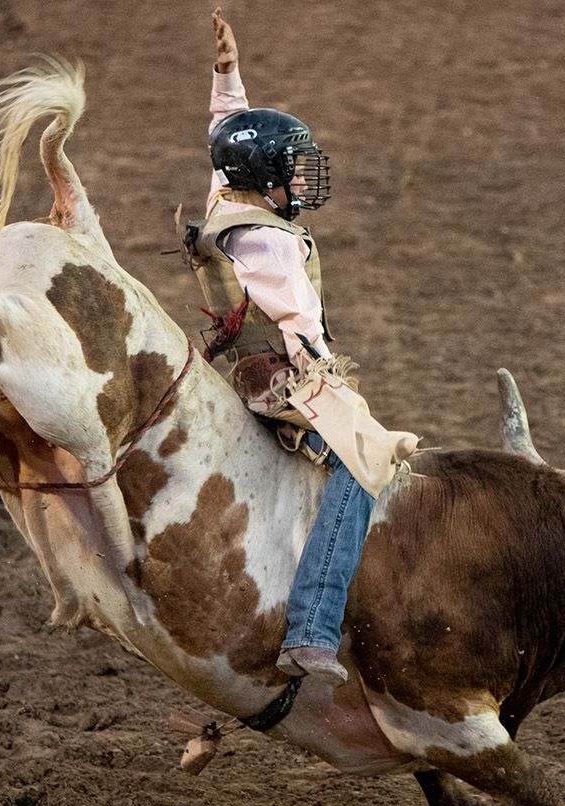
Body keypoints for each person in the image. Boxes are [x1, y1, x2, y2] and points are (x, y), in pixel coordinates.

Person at [183, 8, 416, 686]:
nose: (303, 179)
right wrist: (335, 390)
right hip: (280, 373)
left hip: (248, 363)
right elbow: (303, 327)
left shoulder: (229, 200)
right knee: (362, 461)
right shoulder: (272, 241)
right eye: (293, 169)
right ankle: (312, 626)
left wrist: (227, 75)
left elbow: (225, 132)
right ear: (266, 178)